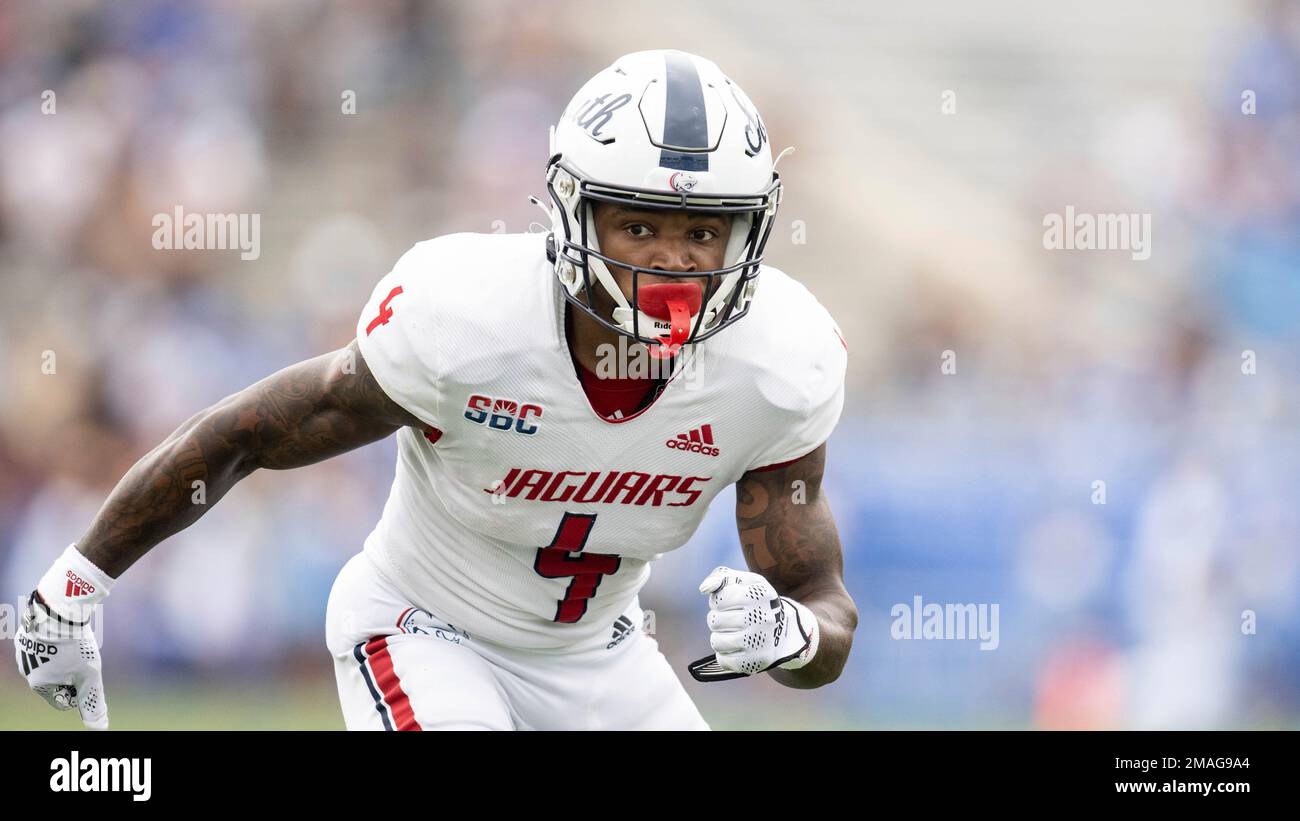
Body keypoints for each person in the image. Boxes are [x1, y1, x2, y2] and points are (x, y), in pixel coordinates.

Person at [14, 49, 856, 731]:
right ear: (571, 213)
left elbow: (824, 604)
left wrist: (792, 636)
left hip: (603, 654)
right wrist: (73, 586)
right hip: (427, 628)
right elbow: (247, 433)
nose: (673, 261)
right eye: (639, 224)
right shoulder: (469, 323)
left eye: (704, 230)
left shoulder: (777, 362)